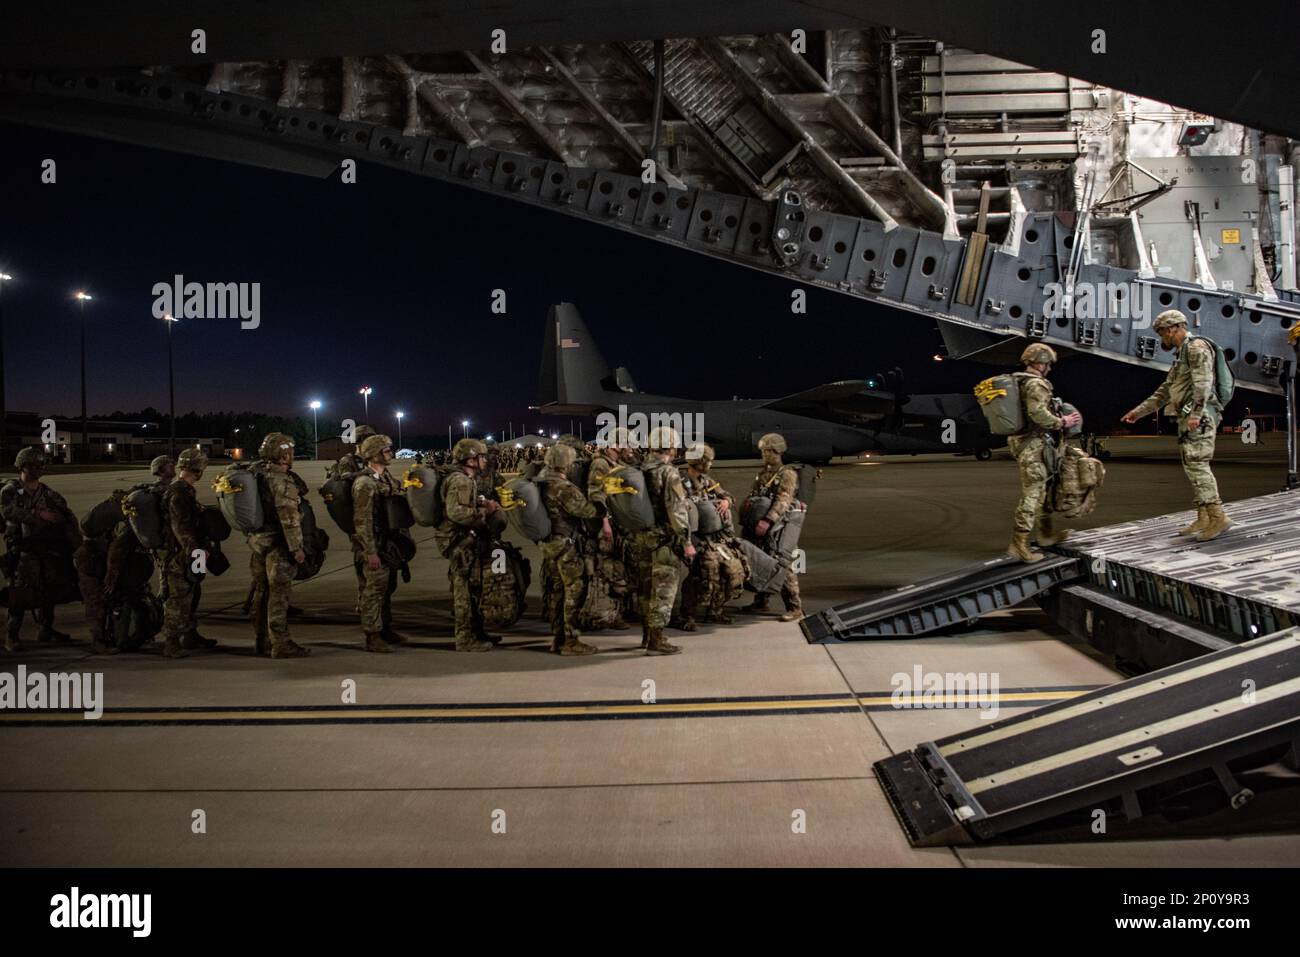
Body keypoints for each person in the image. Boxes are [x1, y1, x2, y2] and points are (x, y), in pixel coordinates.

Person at [1121, 309, 1231, 540]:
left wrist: (1196, 414)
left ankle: (1218, 517)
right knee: (1192, 466)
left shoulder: (1196, 348)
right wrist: (1138, 412)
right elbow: (1165, 391)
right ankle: (1204, 517)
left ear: (1173, 329)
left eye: (1163, 334)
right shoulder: (1182, 355)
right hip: (1189, 416)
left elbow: (1204, 383)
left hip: (1199, 417)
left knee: (1198, 465)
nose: (1163, 339)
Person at [76, 454, 174, 654]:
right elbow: (119, 545)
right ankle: (98, 641)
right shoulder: (142, 511)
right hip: (94, 556)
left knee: (136, 592)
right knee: (99, 598)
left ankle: (133, 633)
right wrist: (111, 575)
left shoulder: (150, 501)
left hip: (118, 554)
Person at [1004, 344, 1083, 562]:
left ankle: (1045, 534)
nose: (1049, 368)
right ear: (1040, 363)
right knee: (1033, 493)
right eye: (1047, 363)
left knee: (1044, 489)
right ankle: (1018, 544)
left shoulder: (1019, 380)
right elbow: (1037, 413)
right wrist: (1062, 421)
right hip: (1032, 446)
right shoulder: (1036, 384)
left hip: (1030, 443)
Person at [2, 447, 79, 651]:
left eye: (41, 464)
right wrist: (38, 515)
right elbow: (8, 511)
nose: (40, 468)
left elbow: (65, 511)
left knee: (48, 589)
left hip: (45, 548)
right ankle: (12, 635)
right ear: (23, 466)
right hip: (22, 549)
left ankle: (46, 629)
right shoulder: (12, 489)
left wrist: (69, 528)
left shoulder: (46, 492)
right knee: (20, 592)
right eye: (35, 465)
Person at [628, 426, 694, 655]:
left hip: (641, 538)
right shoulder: (668, 472)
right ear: (672, 447)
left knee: (646, 588)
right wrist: (686, 541)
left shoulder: (640, 468)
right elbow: (676, 510)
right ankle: (657, 641)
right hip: (663, 540)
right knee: (663, 590)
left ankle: (647, 636)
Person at [246, 433, 311, 658]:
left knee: (261, 592)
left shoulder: (257, 473)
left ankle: (261, 640)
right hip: (278, 545)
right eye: (290, 452)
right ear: (284, 456)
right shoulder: (281, 480)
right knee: (278, 595)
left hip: (258, 543)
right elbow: (288, 517)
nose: (292, 455)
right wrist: (297, 548)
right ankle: (281, 643)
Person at [436, 438, 501, 652]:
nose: (484, 460)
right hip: (458, 541)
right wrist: (486, 511)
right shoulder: (460, 480)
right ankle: (464, 639)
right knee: (463, 592)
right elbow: (456, 513)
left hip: (465, 539)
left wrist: (480, 502)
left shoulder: (467, 478)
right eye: (481, 457)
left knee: (474, 588)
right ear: (471, 460)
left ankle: (477, 631)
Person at [537, 443, 600, 655]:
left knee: (556, 592)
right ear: (565, 463)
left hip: (550, 544)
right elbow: (585, 510)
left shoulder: (542, 481)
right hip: (566, 545)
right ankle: (571, 641)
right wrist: (602, 504)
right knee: (574, 590)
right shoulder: (563, 487)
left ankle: (558, 638)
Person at [350, 433, 406, 652]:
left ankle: (385, 628)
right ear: (374, 455)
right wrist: (370, 551)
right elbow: (362, 520)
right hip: (374, 545)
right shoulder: (364, 483)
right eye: (386, 450)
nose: (390, 453)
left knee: (386, 587)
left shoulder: (385, 477)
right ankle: (372, 635)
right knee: (373, 591)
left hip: (388, 543)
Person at [742, 433, 805, 621]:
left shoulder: (787, 474)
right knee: (762, 560)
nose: (763, 454)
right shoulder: (763, 474)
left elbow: (783, 500)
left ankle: (795, 607)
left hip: (779, 526)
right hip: (762, 523)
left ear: (777, 451)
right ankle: (761, 601)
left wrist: (768, 520)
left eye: (767, 451)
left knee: (782, 563)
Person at [158, 448, 214, 658]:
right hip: (181, 554)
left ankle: (191, 635)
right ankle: (171, 642)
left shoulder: (185, 490)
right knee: (179, 596)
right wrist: (195, 552)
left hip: (191, 552)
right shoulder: (179, 492)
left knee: (194, 589)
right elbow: (180, 526)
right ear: (198, 468)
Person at [680, 443, 742, 628]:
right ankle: (687, 615)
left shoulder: (707, 481)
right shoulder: (681, 484)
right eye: (708, 461)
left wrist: (725, 501)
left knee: (729, 569)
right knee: (701, 573)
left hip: (714, 537)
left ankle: (715, 611)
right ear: (700, 462)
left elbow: (729, 496)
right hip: (694, 537)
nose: (711, 464)